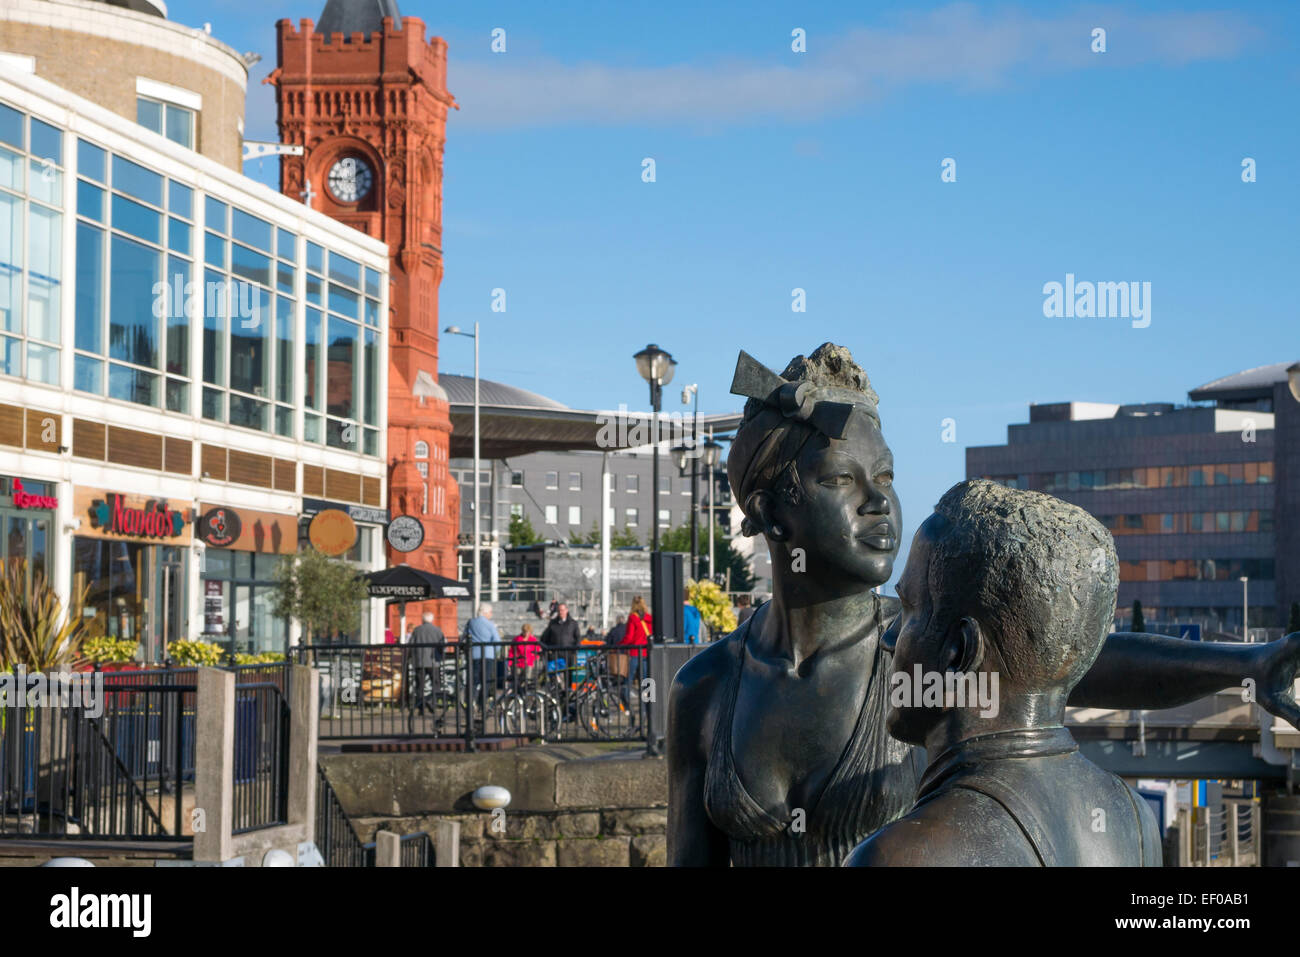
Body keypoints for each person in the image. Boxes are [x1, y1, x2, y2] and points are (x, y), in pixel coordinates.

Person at [667, 343, 1300, 867]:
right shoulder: (706, 688)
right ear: (772, 510)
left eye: (884, 477)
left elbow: (1066, 658)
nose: (879, 503)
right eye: (841, 480)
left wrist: (1246, 666)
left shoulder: (918, 654)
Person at [846, 482, 1161, 866]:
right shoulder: (1134, 815)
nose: (890, 638)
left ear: (958, 652)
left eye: (910, 610)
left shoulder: (898, 857)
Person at [463, 602, 504, 701]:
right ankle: (482, 703)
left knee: (474, 679)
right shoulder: (490, 624)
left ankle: (471, 701)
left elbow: (464, 636)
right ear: (485, 613)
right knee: (486, 680)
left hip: (474, 654)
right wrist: (495, 653)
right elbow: (497, 641)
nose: (491, 614)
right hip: (488, 655)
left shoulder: (471, 622)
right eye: (490, 612)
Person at [409, 611, 445, 714]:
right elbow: (442, 645)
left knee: (420, 685)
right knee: (436, 684)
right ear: (432, 620)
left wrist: (411, 658)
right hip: (434, 661)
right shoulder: (437, 630)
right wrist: (441, 656)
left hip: (420, 661)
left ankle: (421, 707)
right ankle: (432, 703)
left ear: (422, 620)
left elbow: (411, 645)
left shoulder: (417, 630)